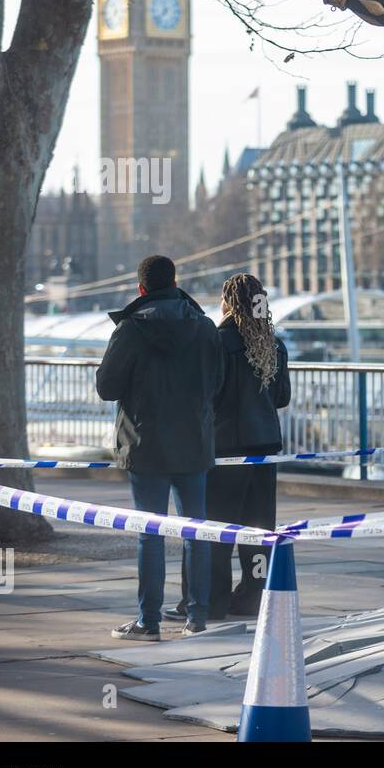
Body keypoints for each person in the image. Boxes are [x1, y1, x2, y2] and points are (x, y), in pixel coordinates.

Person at [96, 255, 224, 641]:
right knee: (195, 531)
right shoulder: (204, 327)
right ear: (174, 282)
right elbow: (216, 384)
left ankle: (148, 622)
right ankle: (197, 618)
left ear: (141, 289)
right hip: (195, 444)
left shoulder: (131, 330)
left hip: (145, 444)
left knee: (149, 533)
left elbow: (107, 388)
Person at [171, 273, 290, 621]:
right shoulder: (274, 344)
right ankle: (254, 597)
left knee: (215, 530)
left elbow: (205, 394)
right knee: (257, 530)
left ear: (228, 303)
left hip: (226, 449)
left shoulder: (217, 341)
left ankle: (209, 601)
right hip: (265, 448)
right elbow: (281, 397)